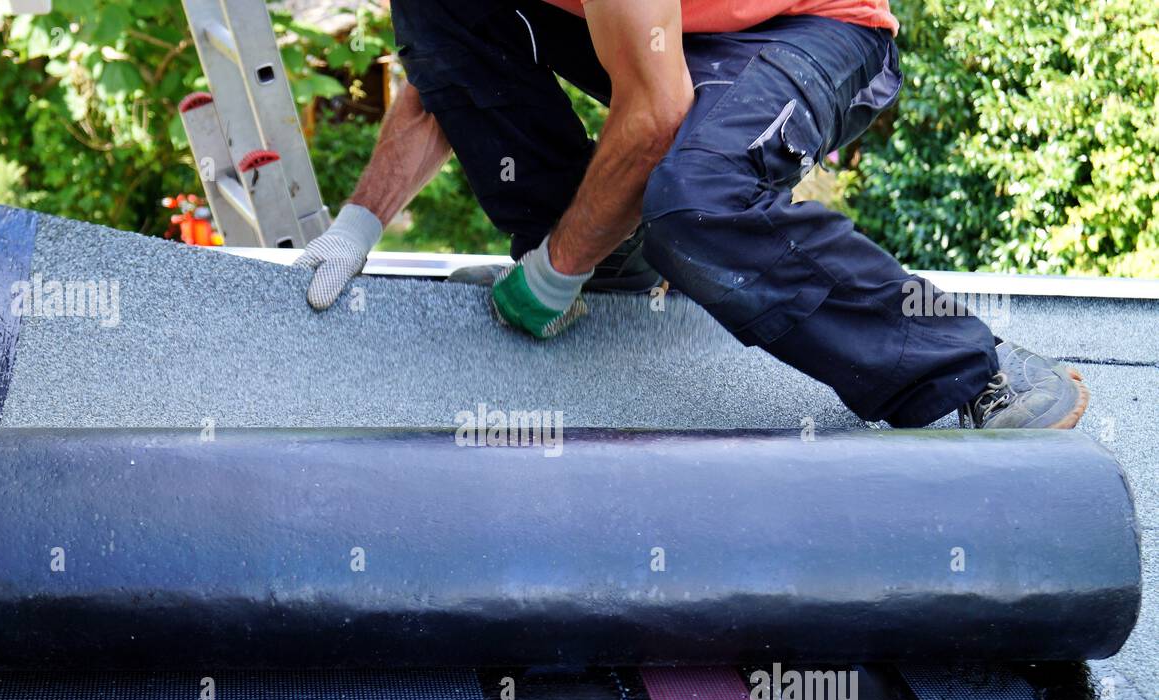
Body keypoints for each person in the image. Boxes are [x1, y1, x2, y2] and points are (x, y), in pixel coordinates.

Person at [295, 0, 1089, 429]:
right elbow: (447, 70)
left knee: (696, 203)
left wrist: (550, 273)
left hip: (811, 32)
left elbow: (654, 117)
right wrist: (357, 223)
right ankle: (605, 265)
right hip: (668, 34)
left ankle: (971, 370)